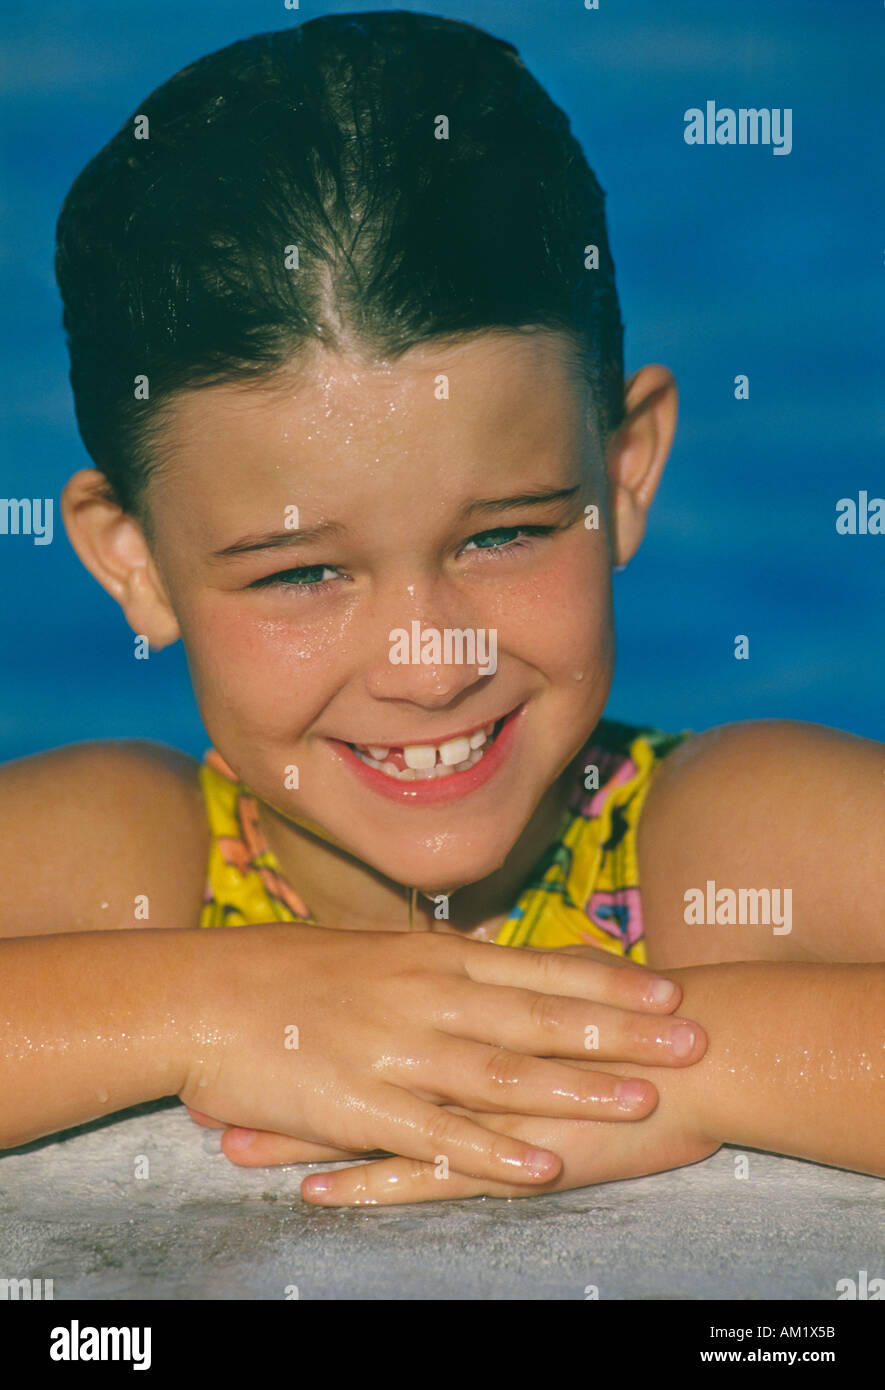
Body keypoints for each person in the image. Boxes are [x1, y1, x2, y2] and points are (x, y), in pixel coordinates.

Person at [2, 13, 881, 1208]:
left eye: (505, 534)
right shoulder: (132, 870)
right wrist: (201, 1002)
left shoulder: (730, 853)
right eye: (300, 573)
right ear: (136, 562)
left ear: (624, 474)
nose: (428, 664)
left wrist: (693, 1063)